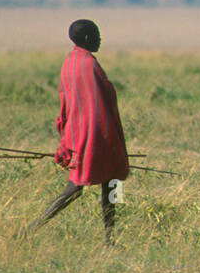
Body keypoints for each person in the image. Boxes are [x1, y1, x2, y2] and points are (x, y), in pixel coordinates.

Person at [25, 19, 129, 244]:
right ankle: (31, 229)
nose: (100, 39)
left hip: (77, 132)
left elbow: (66, 102)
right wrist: (109, 141)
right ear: (87, 38)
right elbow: (102, 102)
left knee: (94, 184)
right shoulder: (89, 64)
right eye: (97, 35)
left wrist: (66, 135)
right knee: (82, 187)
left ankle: (110, 239)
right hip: (95, 134)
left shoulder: (70, 61)